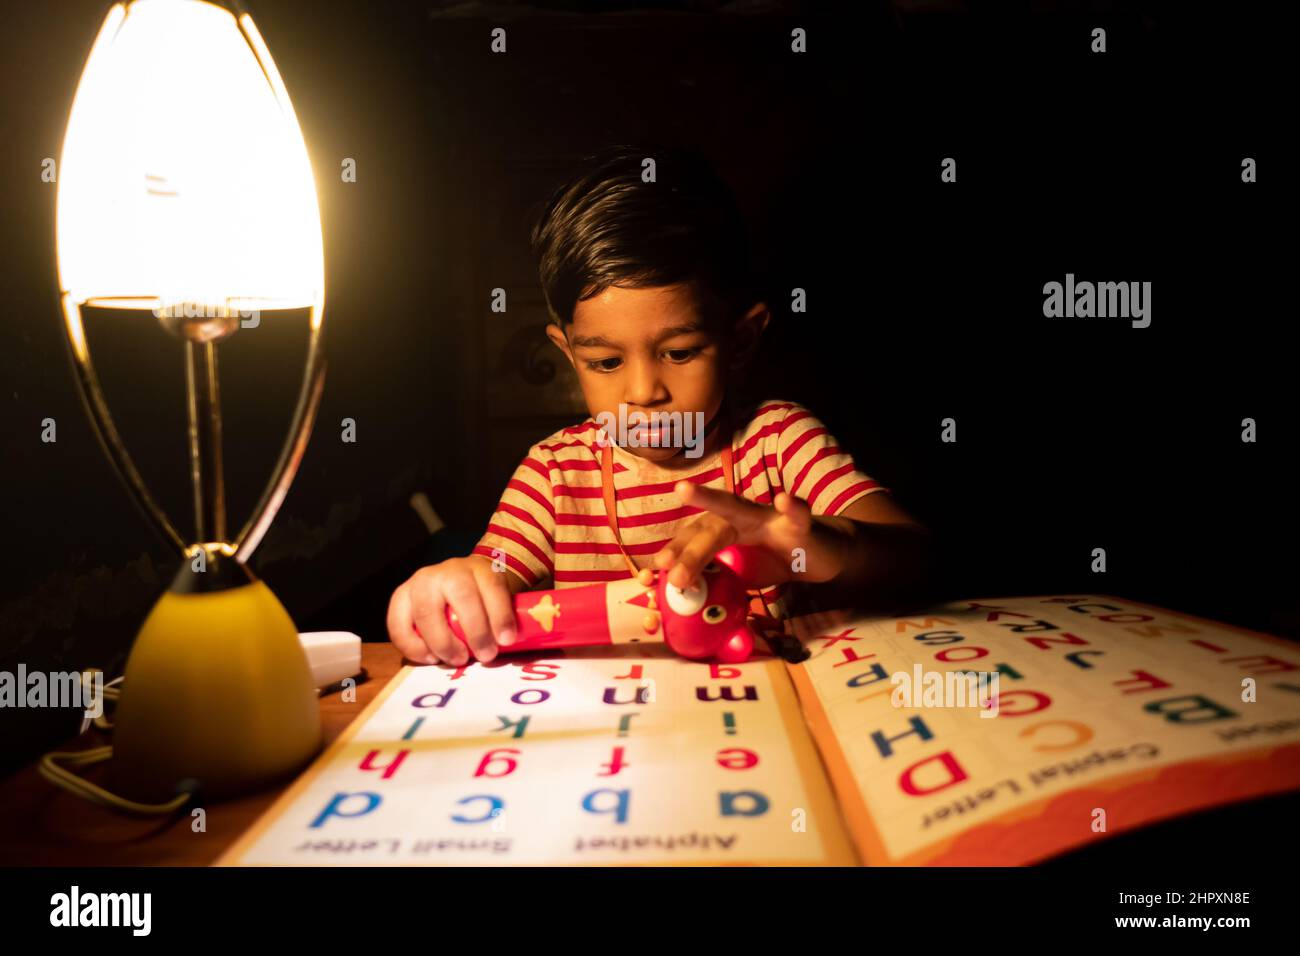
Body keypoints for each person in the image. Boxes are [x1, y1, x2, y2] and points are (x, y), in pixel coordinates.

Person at [387, 145, 930, 666]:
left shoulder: (779, 441)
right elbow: (488, 578)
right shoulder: (553, 476)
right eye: (604, 362)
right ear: (569, 353)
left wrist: (815, 545)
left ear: (740, 340)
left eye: (678, 352)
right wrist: (451, 587)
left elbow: (918, 559)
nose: (644, 392)